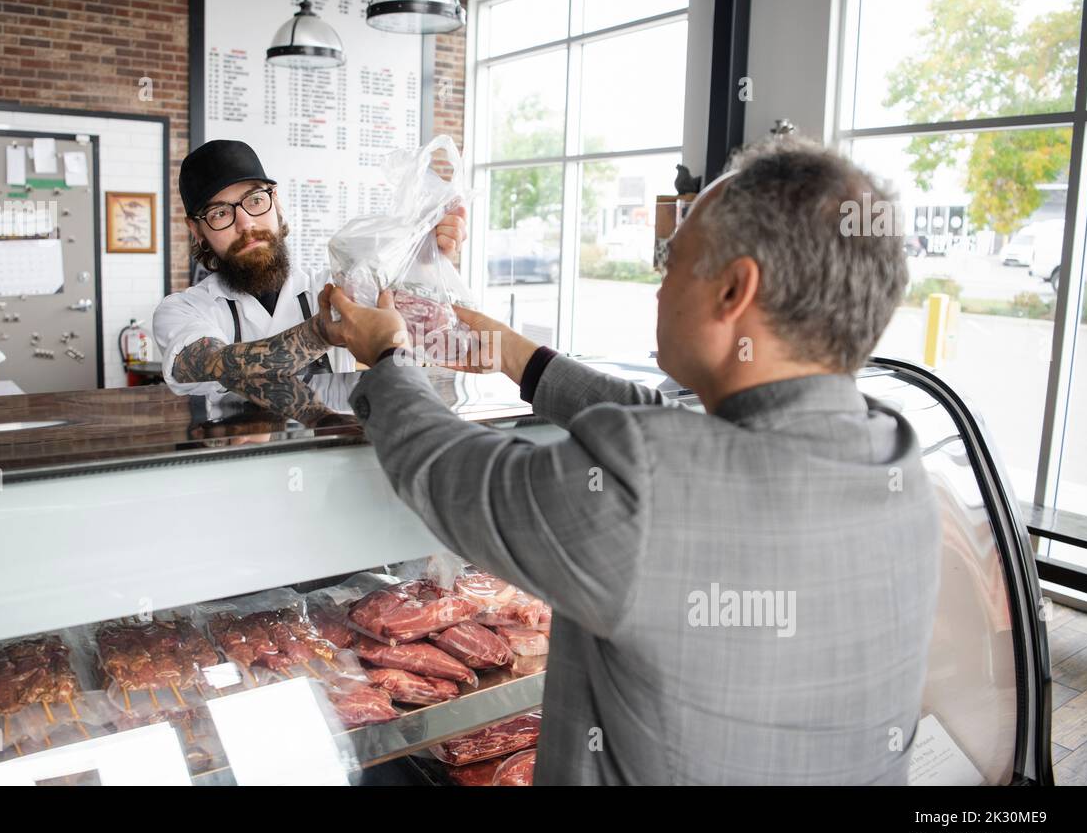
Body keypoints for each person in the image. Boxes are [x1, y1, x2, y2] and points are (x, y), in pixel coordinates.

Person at [322, 136, 941, 785]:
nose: (659, 280)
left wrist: (387, 359)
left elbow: (452, 476)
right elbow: (679, 427)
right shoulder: (898, 459)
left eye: (675, 259)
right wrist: (517, 357)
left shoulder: (650, 486)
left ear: (735, 289)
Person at [152, 139, 465, 396]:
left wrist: (424, 262)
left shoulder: (335, 288)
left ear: (276, 202)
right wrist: (319, 333)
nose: (246, 223)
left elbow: (430, 334)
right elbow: (211, 362)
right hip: (239, 469)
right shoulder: (182, 311)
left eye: (255, 200)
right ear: (197, 231)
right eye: (220, 213)